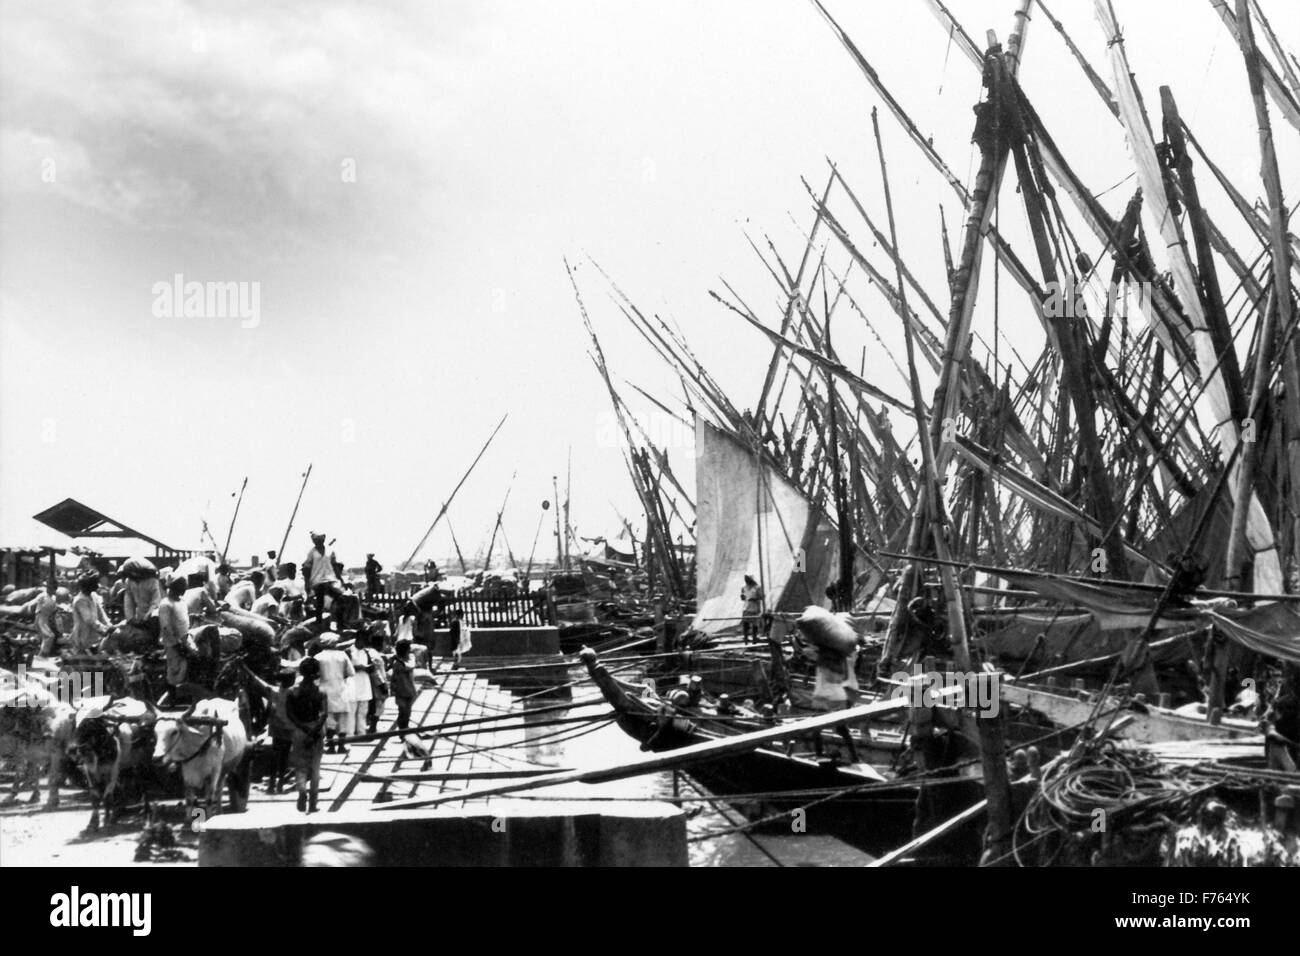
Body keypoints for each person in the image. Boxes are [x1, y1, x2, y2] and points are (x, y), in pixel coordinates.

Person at [285, 656, 327, 813]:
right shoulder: (321, 692)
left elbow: (290, 714)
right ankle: (313, 803)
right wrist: (314, 731)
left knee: (300, 766)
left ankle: (302, 790)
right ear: (316, 673)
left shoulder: (292, 692)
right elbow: (323, 714)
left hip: (299, 730)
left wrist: (303, 729)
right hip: (316, 729)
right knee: (315, 768)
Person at [246, 666, 297, 794]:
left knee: (275, 756)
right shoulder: (294, 692)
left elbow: (260, 683)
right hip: (289, 729)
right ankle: (280, 784)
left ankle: (272, 785)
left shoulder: (274, 691)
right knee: (284, 757)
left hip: (276, 728)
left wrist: (247, 670)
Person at [313, 634, 355, 753]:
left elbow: (316, 675)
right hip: (341, 689)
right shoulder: (342, 655)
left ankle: (331, 746)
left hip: (325, 689)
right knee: (342, 719)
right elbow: (350, 672)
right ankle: (341, 745)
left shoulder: (318, 657)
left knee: (329, 719)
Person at [159, 578, 193, 688]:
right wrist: (176, 644)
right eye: (182, 587)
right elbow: (165, 627)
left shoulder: (182, 602)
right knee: (175, 672)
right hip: (173, 644)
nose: (184, 590)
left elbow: (182, 619)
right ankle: (171, 698)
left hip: (185, 640)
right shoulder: (166, 604)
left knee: (187, 667)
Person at [70, 573, 111, 654]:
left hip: (94, 635)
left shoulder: (93, 596)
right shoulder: (80, 600)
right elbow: (89, 620)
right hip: (83, 635)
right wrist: (104, 629)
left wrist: (109, 625)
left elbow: (101, 613)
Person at [303, 533, 342, 616]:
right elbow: (306, 568)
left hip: (330, 579)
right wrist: (307, 583)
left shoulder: (330, 551)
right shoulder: (312, 552)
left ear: (323, 540)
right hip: (317, 580)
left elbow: (335, 566)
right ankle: (318, 620)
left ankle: (340, 622)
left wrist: (340, 579)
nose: (317, 542)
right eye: (316, 540)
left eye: (319, 540)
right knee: (320, 600)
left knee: (340, 597)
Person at [24, 581, 63, 657]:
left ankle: (43, 652)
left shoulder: (53, 598)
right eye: (49, 588)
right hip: (41, 618)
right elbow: (32, 605)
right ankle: (42, 655)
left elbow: (54, 609)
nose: (50, 590)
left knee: (48, 636)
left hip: (47, 619)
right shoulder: (42, 596)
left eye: (52, 588)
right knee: (49, 636)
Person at [348, 631, 376, 738]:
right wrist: (361, 667)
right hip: (352, 683)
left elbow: (371, 668)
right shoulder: (349, 651)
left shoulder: (366, 652)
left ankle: (361, 733)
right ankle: (349, 734)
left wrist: (370, 667)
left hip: (364, 683)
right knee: (351, 711)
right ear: (358, 638)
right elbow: (346, 668)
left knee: (363, 711)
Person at [390, 639, 417, 731]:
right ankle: (402, 732)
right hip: (400, 691)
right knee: (402, 712)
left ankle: (404, 730)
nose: (410, 651)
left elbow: (410, 665)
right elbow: (400, 671)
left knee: (407, 712)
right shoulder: (397, 663)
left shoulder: (409, 658)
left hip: (409, 690)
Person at [740, 574, 764, 644]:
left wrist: (754, 599)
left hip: (755, 608)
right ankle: (746, 641)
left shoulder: (757, 587)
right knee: (745, 624)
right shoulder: (744, 588)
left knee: (754, 625)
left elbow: (761, 597)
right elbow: (743, 597)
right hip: (746, 608)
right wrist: (742, 597)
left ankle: (754, 641)